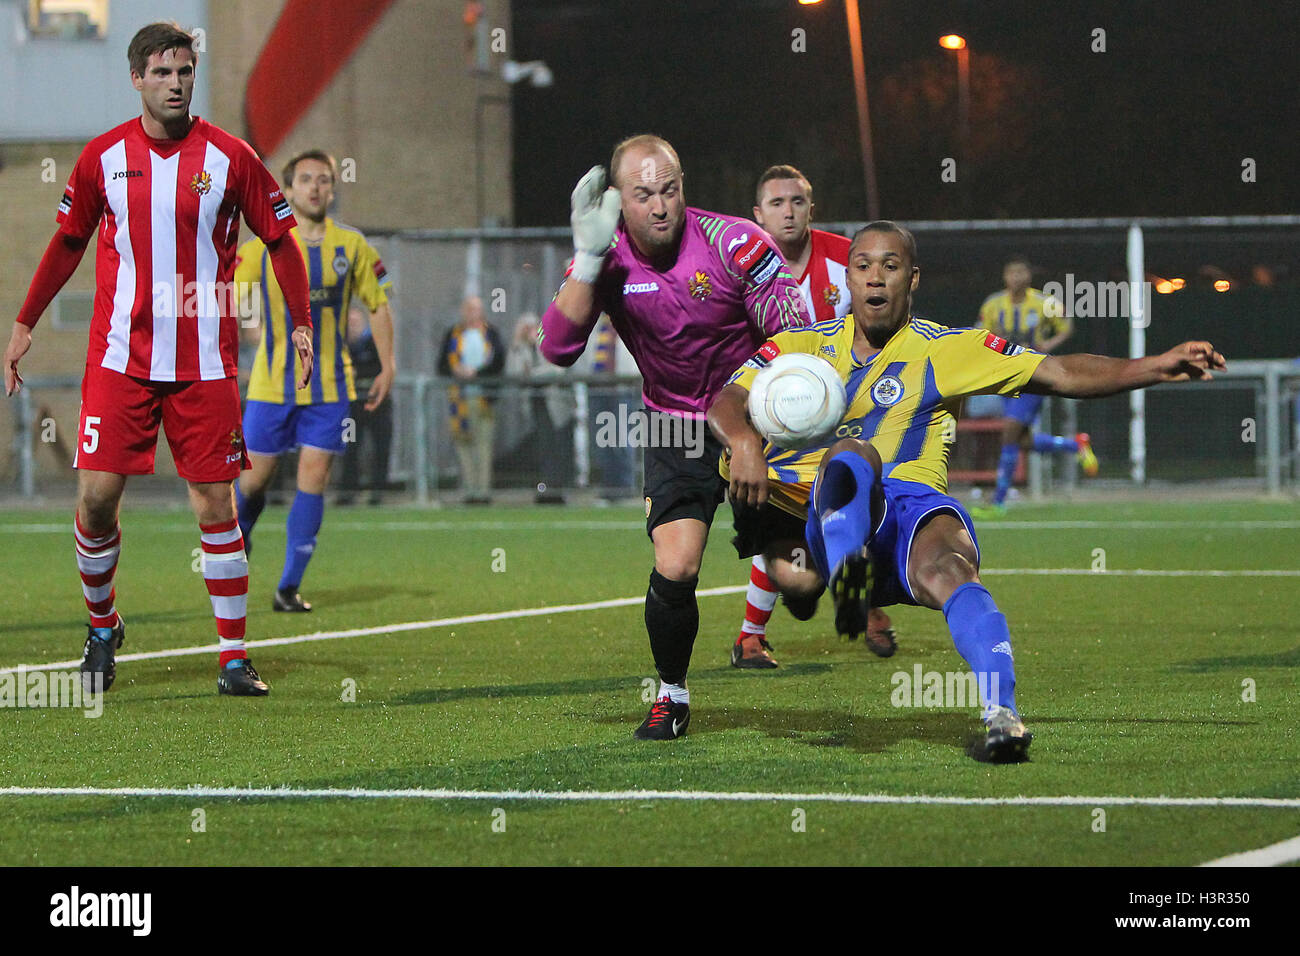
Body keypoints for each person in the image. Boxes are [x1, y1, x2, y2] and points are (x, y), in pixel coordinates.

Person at [707, 222, 1225, 761]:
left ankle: (1003, 716)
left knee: (951, 569)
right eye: (862, 266)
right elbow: (727, 400)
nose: (875, 278)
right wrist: (743, 441)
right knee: (827, 507)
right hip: (824, 507)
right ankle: (843, 574)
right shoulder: (799, 349)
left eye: (890, 266)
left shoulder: (951, 348)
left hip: (909, 505)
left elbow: (1060, 372)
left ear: (913, 278)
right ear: (847, 278)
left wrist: (1155, 366)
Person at [2, 22, 315, 696]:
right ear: (137, 78)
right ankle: (102, 626)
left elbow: (283, 241)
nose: (176, 83)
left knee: (214, 505)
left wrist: (301, 325)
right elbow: (66, 243)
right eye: (163, 72)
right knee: (94, 500)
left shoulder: (232, 157)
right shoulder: (102, 158)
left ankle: (233, 658)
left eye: (185, 71)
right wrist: (25, 321)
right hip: (119, 361)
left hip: (204, 363)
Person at [540, 134, 810, 740]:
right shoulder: (603, 256)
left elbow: (797, 341)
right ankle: (672, 694)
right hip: (674, 427)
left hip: (755, 419)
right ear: (618, 199)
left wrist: (746, 430)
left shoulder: (736, 242)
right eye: (643, 195)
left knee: (801, 584)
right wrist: (584, 261)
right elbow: (555, 349)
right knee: (677, 564)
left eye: (670, 189)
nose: (660, 206)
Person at [729, 164, 894, 670]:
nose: (788, 212)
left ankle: (866, 603)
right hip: (768, 414)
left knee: (858, 499)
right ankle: (753, 634)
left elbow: (881, 318)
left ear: (811, 209)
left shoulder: (846, 258)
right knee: (778, 525)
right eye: (776, 204)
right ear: (757, 215)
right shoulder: (737, 261)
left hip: (843, 408)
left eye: (797, 202)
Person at [233, 149, 395, 611]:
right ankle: (235, 547)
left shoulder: (353, 246)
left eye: (324, 179)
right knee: (254, 481)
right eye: (306, 179)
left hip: (329, 387)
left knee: (314, 475)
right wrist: (244, 334)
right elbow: (229, 299)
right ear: (286, 190)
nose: (316, 187)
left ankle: (287, 587)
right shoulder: (261, 247)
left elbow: (378, 304)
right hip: (270, 386)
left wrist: (388, 365)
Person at [971, 256, 1098, 517]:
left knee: (1009, 432)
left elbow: (1066, 324)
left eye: (1021, 273)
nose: (1016, 277)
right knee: (1022, 440)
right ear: (1005, 276)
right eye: (1012, 272)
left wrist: (1048, 346)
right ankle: (1075, 445)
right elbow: (980, 334)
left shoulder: (1042, 303)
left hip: (1034, 373)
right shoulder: (994, 304)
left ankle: (998, 502)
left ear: (1028, 276)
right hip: (1005, 375)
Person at [439, 296, 504, 504]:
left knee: (483, 443)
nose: (471, 313)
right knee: (463, 443)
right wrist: (455, 369)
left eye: (475, 309)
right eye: (468, 308)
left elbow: (499, 361)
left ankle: (483, 491)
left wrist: (477, 373)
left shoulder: (491, 333)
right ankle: (469, 490)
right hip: (459, 397)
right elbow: (441, 363)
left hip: (483, 396)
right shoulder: (453, 334)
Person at [337, 305, 396, 505]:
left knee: (380, 446)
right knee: (350, 447)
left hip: (377, 404)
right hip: (352, 407)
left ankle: (378, 491)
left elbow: (380, 368)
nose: (353, 326)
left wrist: (357, 373)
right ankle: (348, 491)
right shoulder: (341, 346)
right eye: (350, 323)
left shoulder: (375, 343)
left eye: (356, 322)